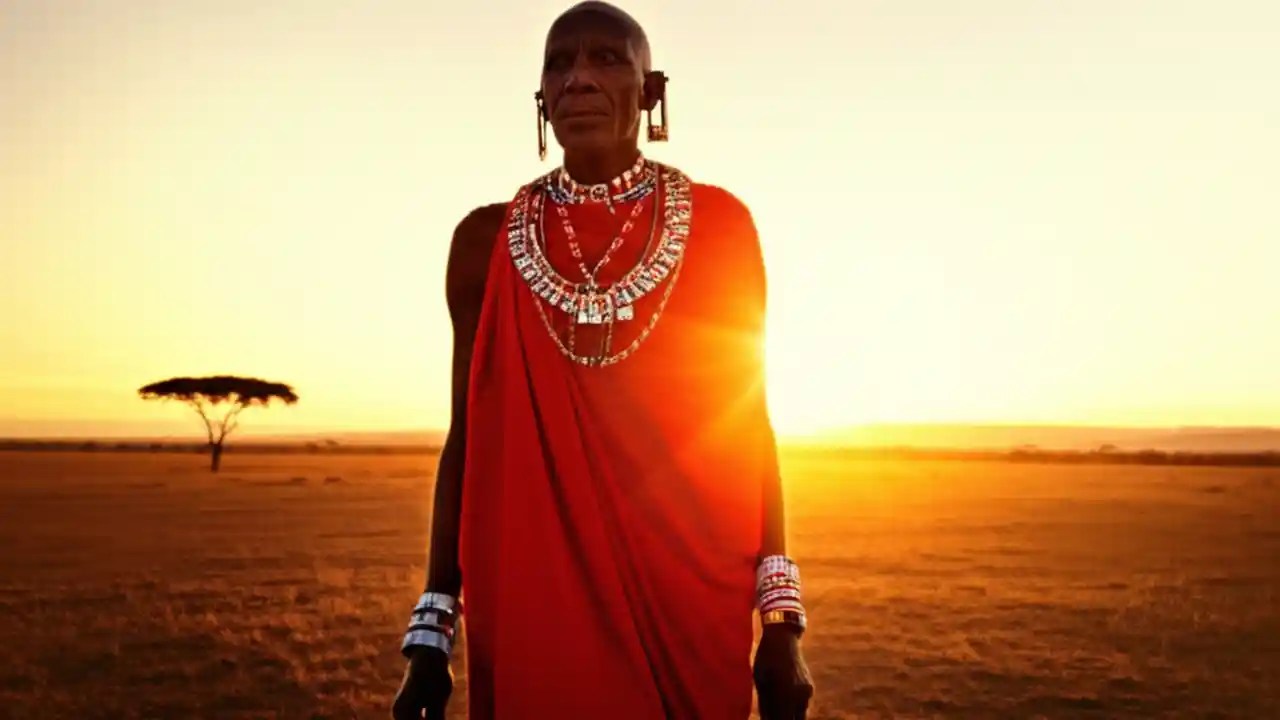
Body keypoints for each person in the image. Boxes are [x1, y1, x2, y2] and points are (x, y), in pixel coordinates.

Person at [392, 2, 814, 718]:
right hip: (530, 592)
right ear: (541, 101)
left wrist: (781, 622)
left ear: (652, 94)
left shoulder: (721, 228)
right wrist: (431, 631)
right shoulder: (483, 243)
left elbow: (749, 428)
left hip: (688, 599)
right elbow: (466, 435)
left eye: (608, 59)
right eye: (559, 63)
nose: (579, 78)